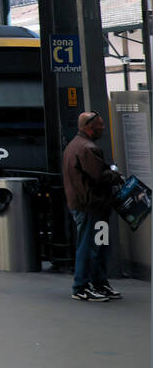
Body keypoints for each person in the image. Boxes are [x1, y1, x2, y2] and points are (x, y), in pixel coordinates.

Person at [63, 111, 123, 302]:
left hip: (95, 208)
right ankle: (81, 287)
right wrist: (115, 174)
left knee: (100, 244)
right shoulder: (87, 148)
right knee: (90, 247)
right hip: (90, 207)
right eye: (100, 125)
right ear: (89, 127)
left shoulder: (74, 146)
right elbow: (99, 177)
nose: (103, 128)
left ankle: (99, 282)